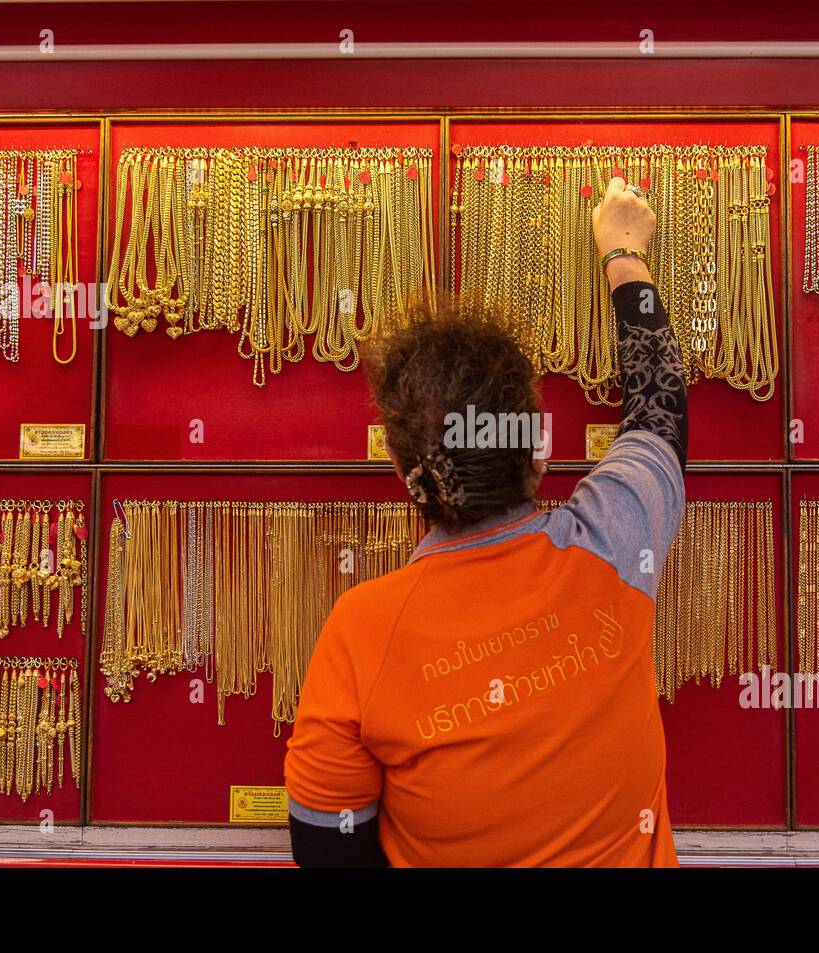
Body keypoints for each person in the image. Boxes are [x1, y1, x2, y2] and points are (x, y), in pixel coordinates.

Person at [283, 178, 688, 867]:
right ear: (539, 451)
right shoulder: (614, 544)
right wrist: (623, 254)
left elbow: (327, 849)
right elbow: (659, 409)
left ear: (400, 470)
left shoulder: (360, 630)